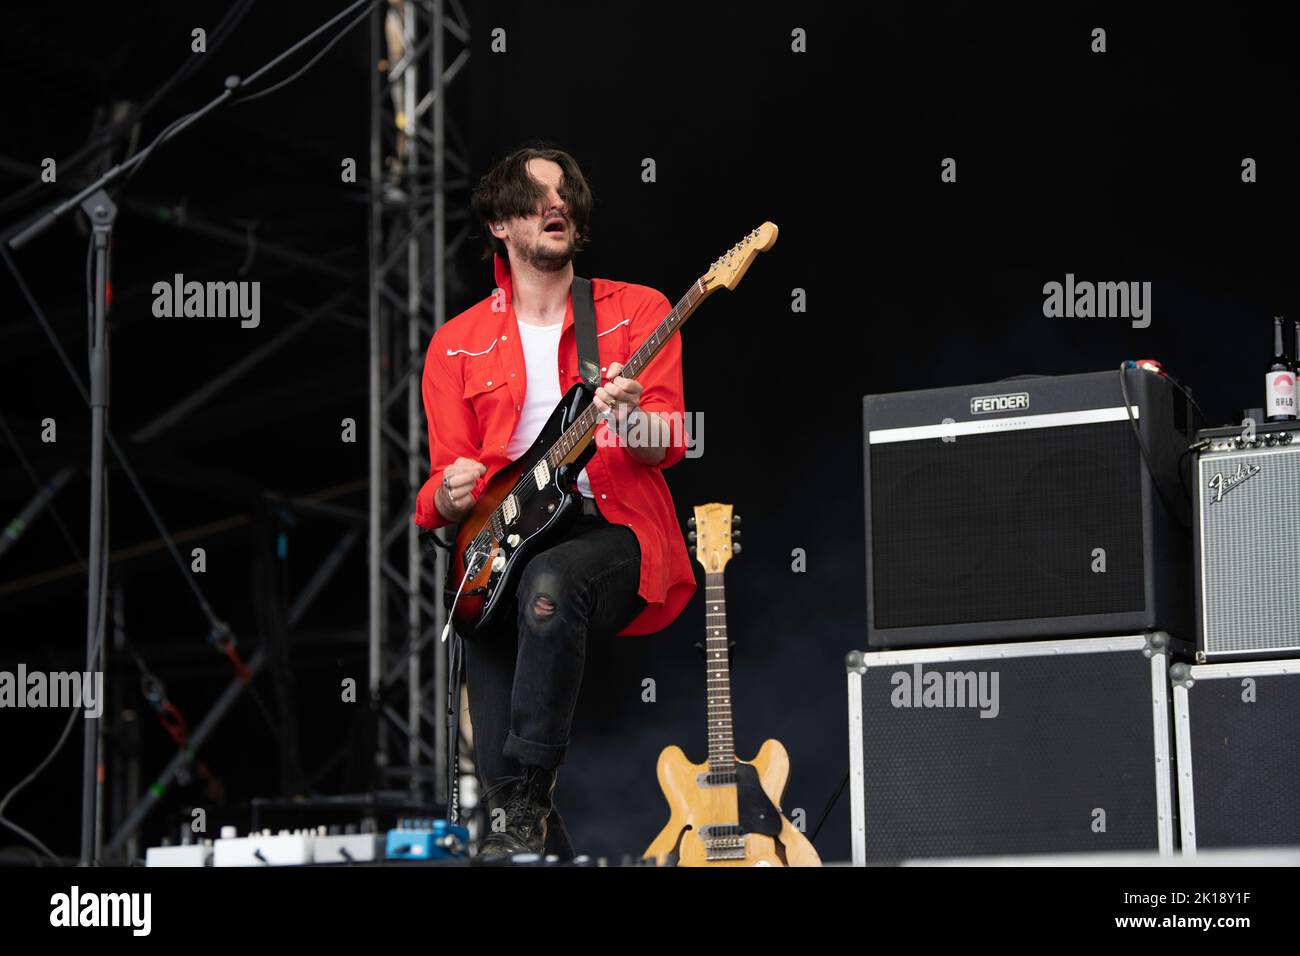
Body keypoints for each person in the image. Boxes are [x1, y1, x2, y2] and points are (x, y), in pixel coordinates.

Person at [415, 143, 695, 859]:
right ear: (499, 225)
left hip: (613, 531)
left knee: (550, 586)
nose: (556, 205)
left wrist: (629, 419)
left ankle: (529, 795)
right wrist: (445, 495)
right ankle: (531, 816)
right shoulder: (454, 346)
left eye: (565, 193)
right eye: (536, 196)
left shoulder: (638, 311)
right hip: (500, 549)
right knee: (510, 817)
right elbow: (444, 484)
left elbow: (667, 440)